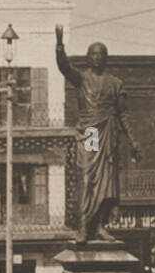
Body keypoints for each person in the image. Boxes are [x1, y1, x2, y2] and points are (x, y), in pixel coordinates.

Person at [56, 24, 140, 243]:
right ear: (88, 58)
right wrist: (59, 44)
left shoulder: (115, 83)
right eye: (94, 53)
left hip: (109, 131)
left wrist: (133, 141)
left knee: (107, 182)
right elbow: (64, 67)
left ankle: (101, 226)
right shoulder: (82, 79)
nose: (98, 57)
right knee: (89, 176)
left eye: (101, 54)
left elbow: (123, 115)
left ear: (106, 58)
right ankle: (84, 226)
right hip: (91, 131)